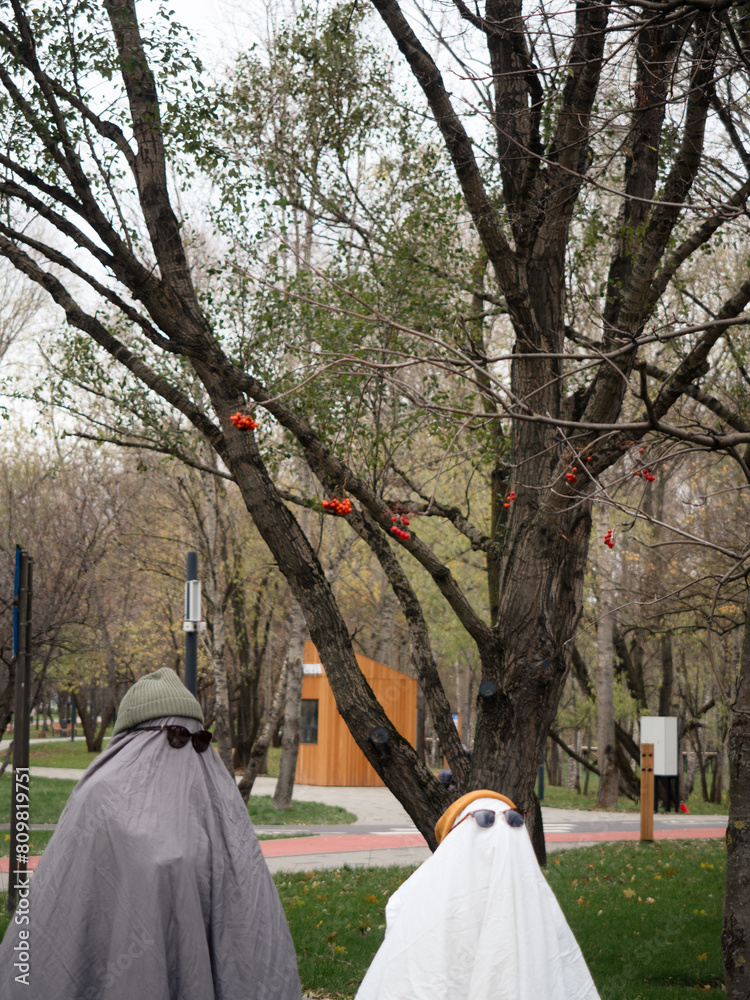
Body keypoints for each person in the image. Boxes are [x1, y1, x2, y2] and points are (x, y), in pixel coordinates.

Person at [0, 668, 302, 1000]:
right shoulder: (101, 796)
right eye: (176, 736)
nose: (190, 748)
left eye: (198, 738)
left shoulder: (221, 801)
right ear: (136, 739)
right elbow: (62, 914)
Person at [355, 790, 601, 1000]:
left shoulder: (537, 900)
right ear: (460, 831)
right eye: (486, 820)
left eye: (513, 819)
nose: (501, 828)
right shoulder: (422, 894)